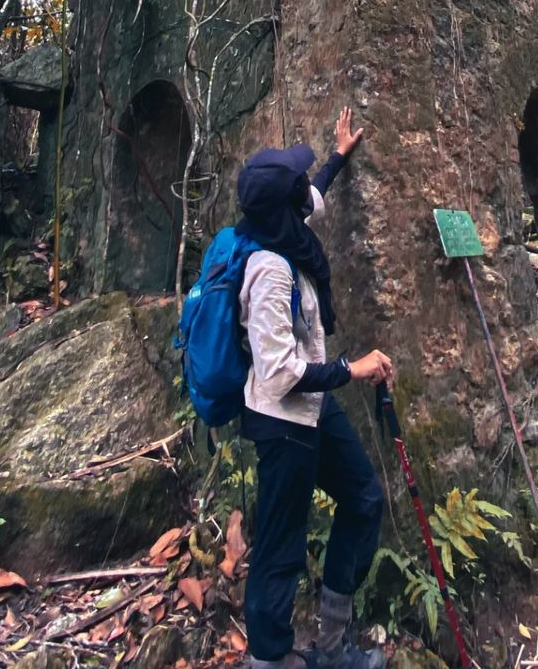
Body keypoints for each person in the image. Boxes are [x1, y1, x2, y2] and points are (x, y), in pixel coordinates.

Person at [237, 107, 394, 669]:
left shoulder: (288, 235)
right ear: (283, 208)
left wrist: (337, 155)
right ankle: (271, 661)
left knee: (364, 498)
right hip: (283, 422)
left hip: (313, 410)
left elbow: (316, 194)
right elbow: (279, 372)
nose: (308, 191)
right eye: (297, 186)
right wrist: (351, 369)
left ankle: (330, 646)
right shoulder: (269, 269)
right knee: (280, 548)